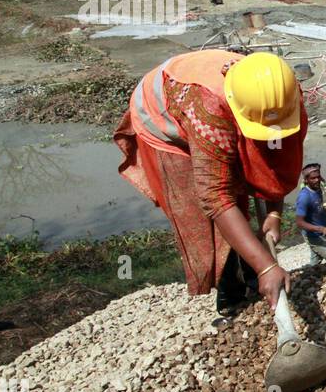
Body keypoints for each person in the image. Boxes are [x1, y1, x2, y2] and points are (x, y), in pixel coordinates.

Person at [114, 50, 306, 316]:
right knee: (209, 218)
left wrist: (274, 213)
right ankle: (231, 296)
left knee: (250, 173)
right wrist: (266, 267)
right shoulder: (207, 110)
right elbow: (215, 197)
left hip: (226, 106)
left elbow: (276, 158)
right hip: (165, 124)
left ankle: (255, 272)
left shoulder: (285, 95)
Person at [295, 162, 326, 265]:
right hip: (313, 236)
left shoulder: (318, 189)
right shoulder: (304, 197)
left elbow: (317, 207)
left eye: (318, 177)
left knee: (316, 260)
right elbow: (299, 222)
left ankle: (310, 274)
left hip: (320, 232)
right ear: (306, 180)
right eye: (313, 178)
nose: (317, 180)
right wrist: (322, 229)